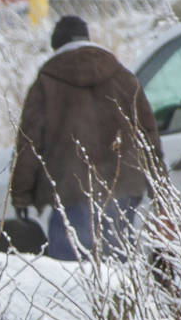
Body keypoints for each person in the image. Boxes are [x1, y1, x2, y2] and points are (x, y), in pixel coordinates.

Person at [9, 14, 161, 260]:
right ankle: (119, 297)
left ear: (56, 46)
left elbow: (29, 145)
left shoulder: (46, 82)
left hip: (72, 190)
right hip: (123, 186)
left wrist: (21, 196)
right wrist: (160, 190)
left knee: (68, 270)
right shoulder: (123, 77)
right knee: (117, 261)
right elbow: (148, 135)